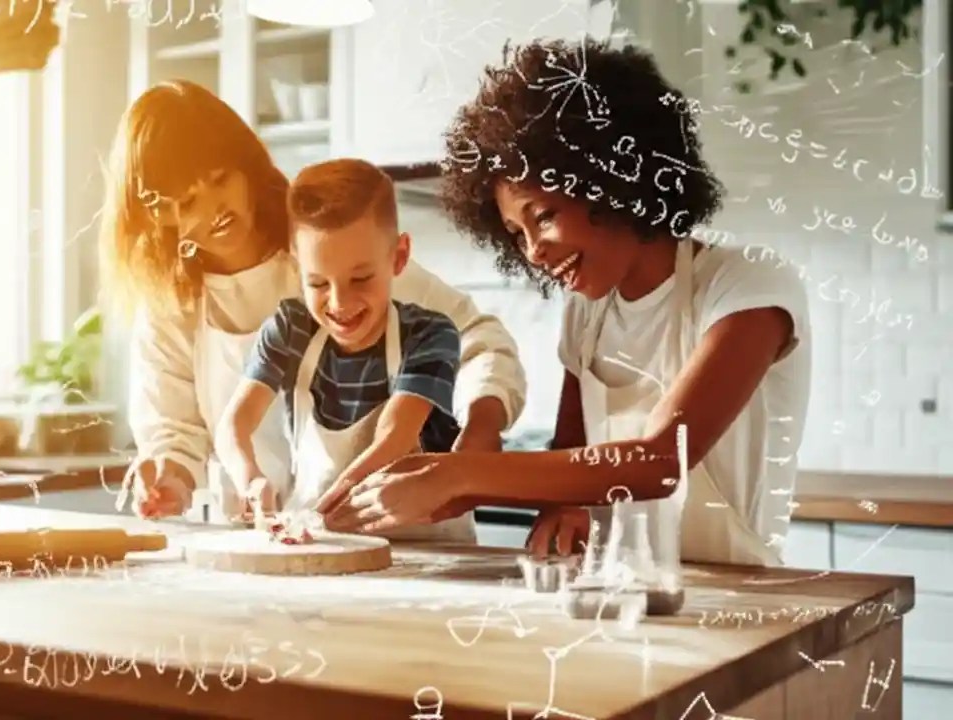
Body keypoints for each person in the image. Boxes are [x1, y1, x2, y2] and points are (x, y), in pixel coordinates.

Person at [318, 38, 811, 567]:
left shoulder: (747, 286)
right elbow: (570, 457)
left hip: (739, 595)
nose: (532, 251)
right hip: (613, 593)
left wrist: (460, 474)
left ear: (611, 180)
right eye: (514, 233)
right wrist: (536, 503)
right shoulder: (589, 311)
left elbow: (660, 460)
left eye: (544, 215)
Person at [100, 80, 526, 523]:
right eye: (187, 201)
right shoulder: (174, 304)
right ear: (156, 216)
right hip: (265, 544)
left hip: (405, 537)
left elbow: (478, 341)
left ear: (246, 165)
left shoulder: (329, 252)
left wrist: (480, 426)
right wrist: (169, 478)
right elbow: (177, 430)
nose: (215, 210)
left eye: (221, 179)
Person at [218, 159, 474, 541]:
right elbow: (234, 426)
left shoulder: (430, 335)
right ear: (297, 266)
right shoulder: (291, 330)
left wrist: (319, 515)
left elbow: (394, 439)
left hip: (430, 560)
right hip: (324, 552)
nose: (340, 303)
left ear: (399, 257)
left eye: (361, 278)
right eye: (319, 282)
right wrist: (250, 479)